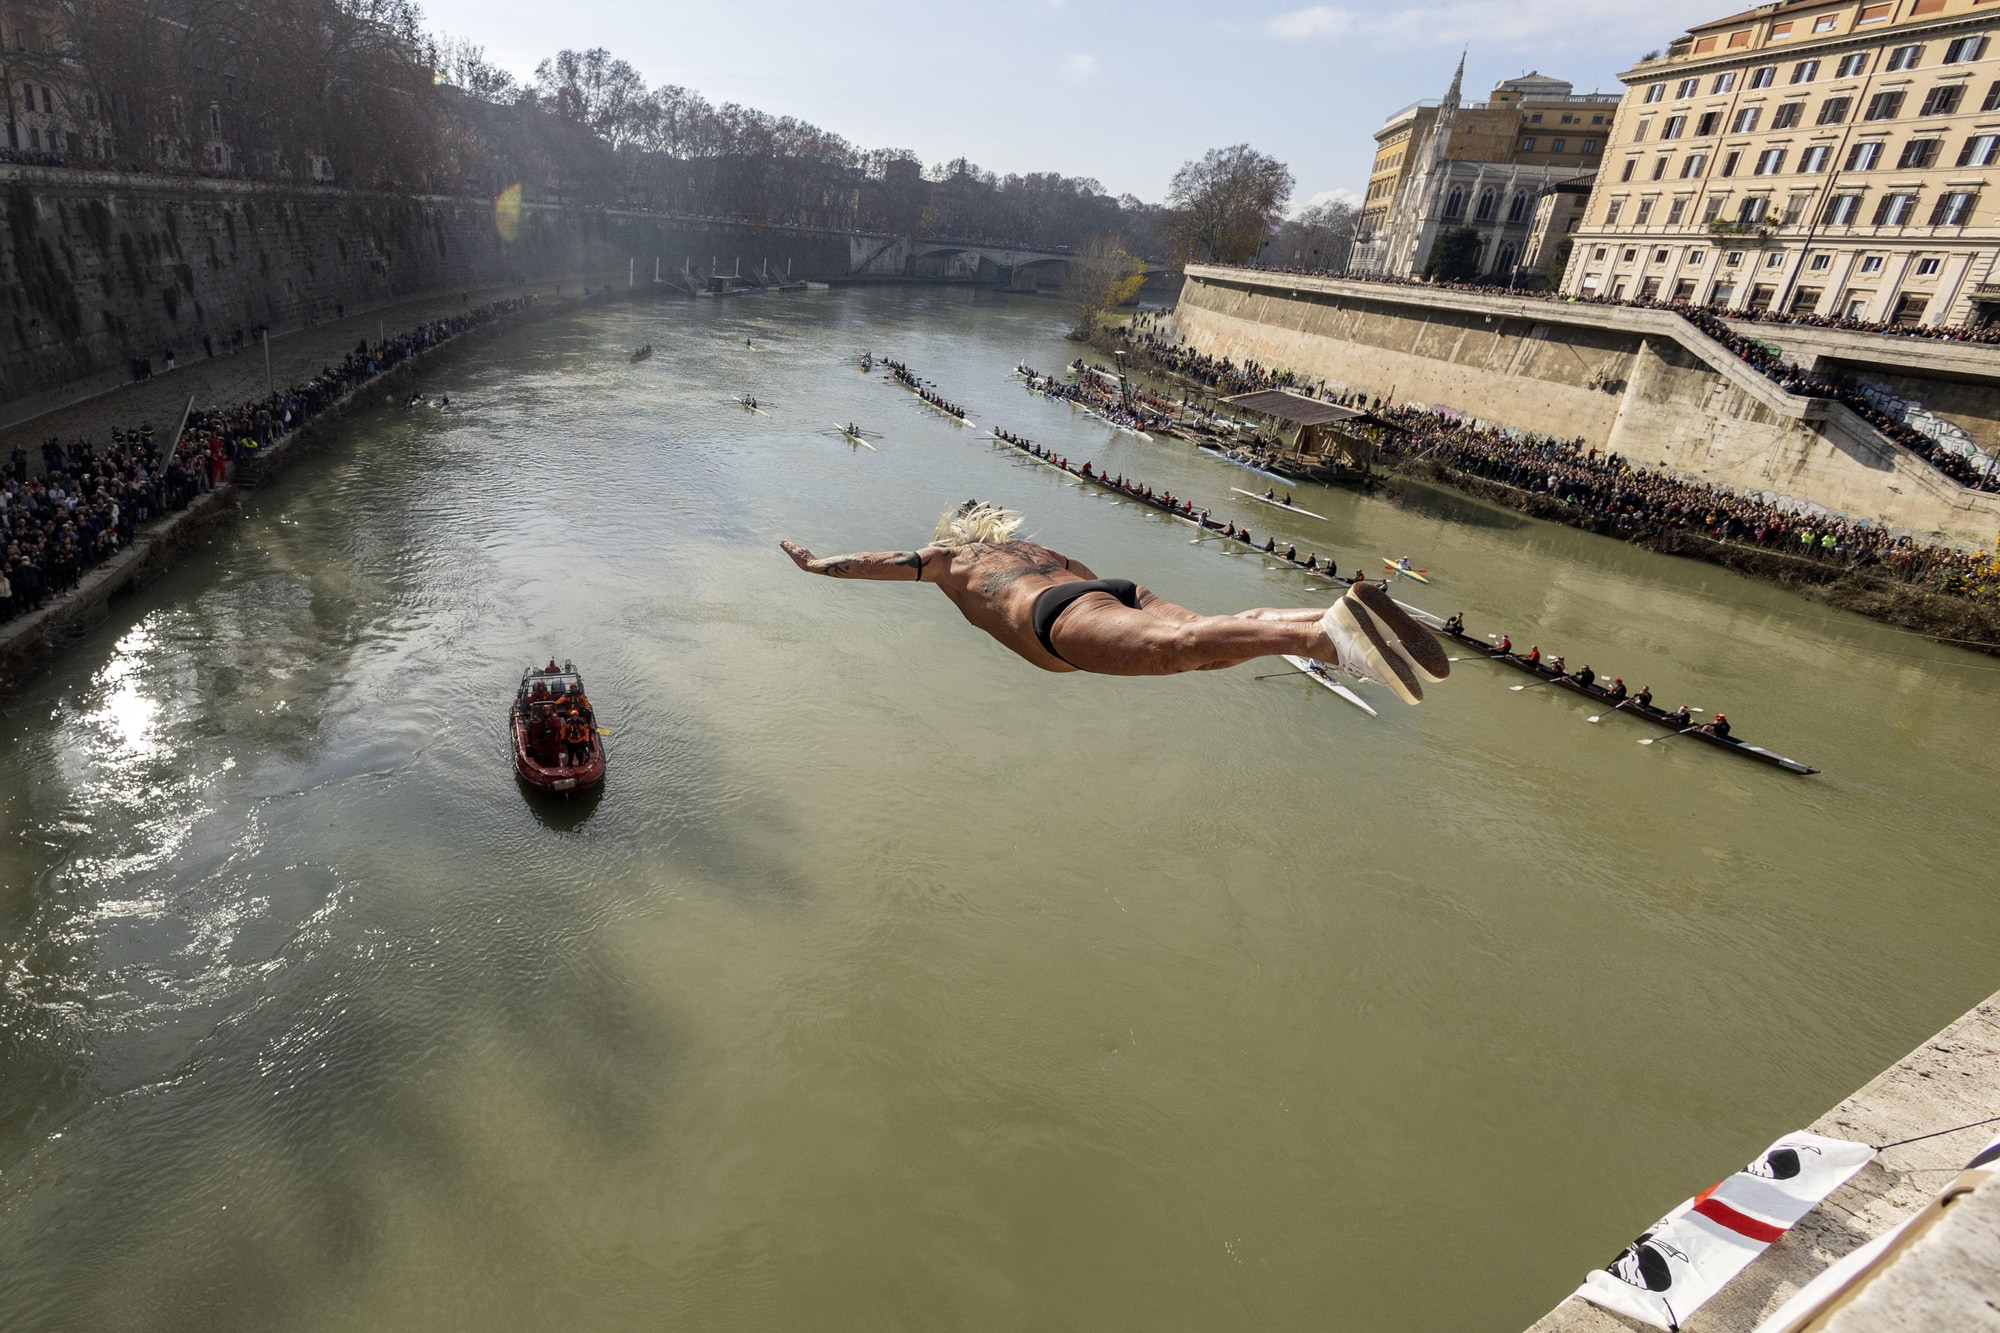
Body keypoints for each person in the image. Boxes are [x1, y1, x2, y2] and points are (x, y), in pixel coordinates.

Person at [779, 501, 1451, 705]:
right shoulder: (1035, 549)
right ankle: (1332, 613)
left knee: (1183, 652)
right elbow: (1089, 579)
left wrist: (814, 563)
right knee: (1211, 640)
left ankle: (1327, 641)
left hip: (1056, 622)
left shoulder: (948, 559)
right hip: (1105, 588)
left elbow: (872, 565)